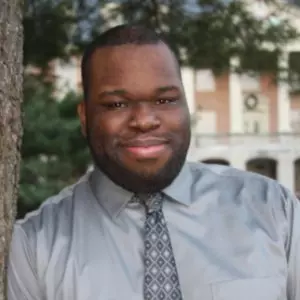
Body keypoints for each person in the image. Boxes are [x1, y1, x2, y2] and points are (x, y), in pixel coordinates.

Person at [7, 24, 300, 300]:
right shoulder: (35, 247)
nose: (145, 121)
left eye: (165, 100)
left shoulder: (275, 212)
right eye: (116, 104)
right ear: (85, 117)